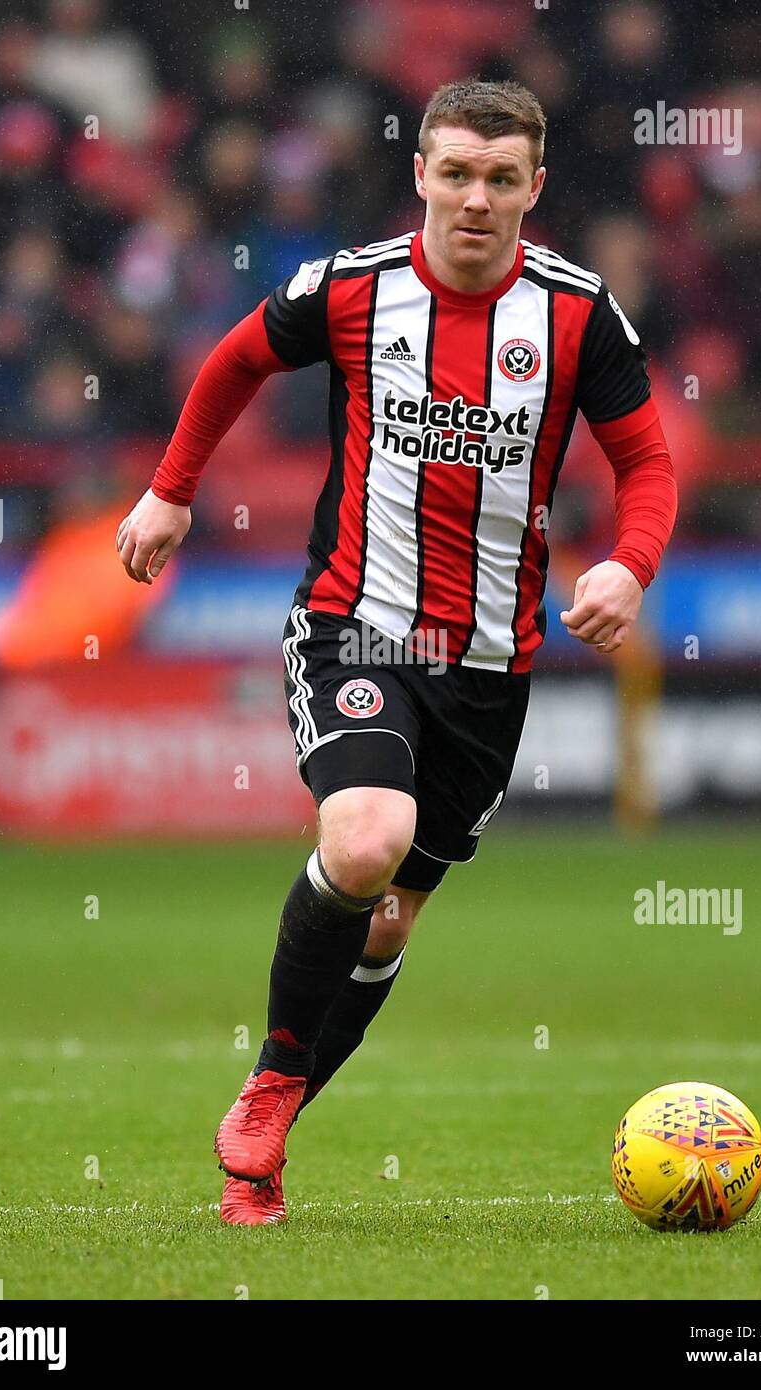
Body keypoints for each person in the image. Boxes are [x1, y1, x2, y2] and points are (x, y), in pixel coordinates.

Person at [116, 79, 677, 1225]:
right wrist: (169, 494)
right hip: (354, 622)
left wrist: (628, 562)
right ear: (419, 172)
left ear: (534, 187)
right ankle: (272, 1084)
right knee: (367, 837)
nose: (476, 199)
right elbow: (231, 363)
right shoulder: (350, 289)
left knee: (384, 922)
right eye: (456, 173)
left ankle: (260, 1153)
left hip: (487, 662)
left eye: (500, 179)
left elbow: (646, 463)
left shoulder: (576, 315)